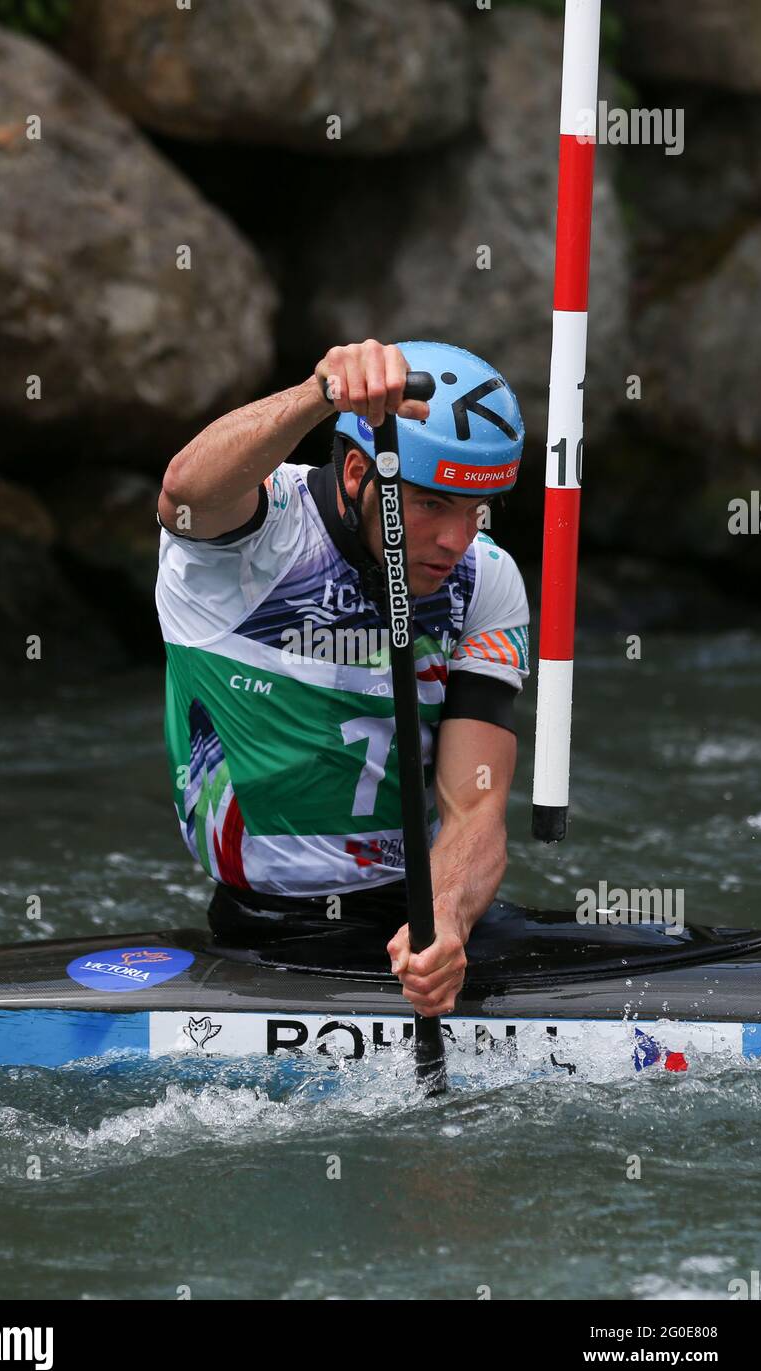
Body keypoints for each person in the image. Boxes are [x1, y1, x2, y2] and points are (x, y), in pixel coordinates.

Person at [155, 339, 529, 1018]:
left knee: (668, 945)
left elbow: (477, 806)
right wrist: (316, 392)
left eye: (474, 511)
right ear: (358, 472)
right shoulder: (261, 539)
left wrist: (445, 922)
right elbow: (186, 492)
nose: (457, 540)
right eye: (430, 506)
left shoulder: (485, 579)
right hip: (271, 929)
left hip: (414, 911)